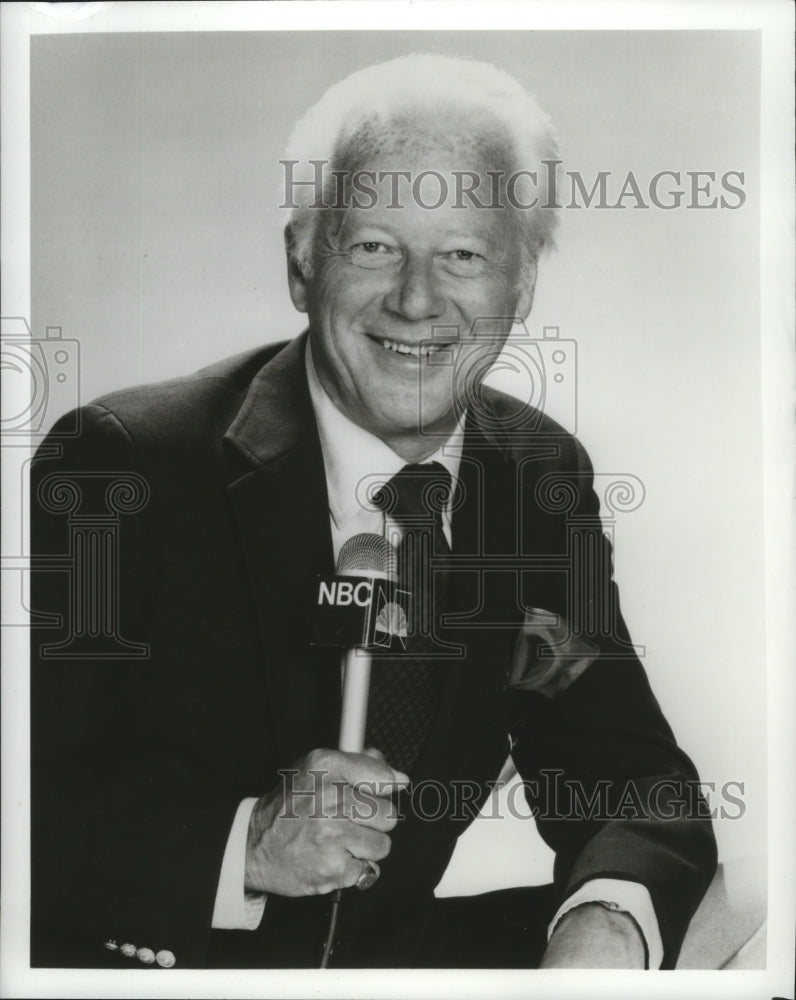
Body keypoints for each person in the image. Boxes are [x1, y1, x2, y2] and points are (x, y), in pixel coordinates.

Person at [30, 54, 717, 971]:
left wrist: (606, 924)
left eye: (464, 254)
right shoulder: (124, 466)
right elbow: (20, 806)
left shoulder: (535, 477)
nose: (417, 300)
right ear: (301, 262)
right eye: (374, 246)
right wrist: (244, 846)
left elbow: (626, 773)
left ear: (522, 285)